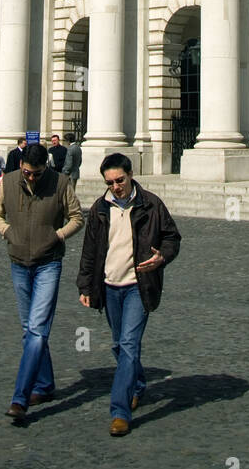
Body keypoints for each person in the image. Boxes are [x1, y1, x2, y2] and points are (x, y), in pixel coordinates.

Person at [77, 153, 181, 437]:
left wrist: (162, 258)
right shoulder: (100, 207)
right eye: (110, 182)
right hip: (110, 286)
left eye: (120, 180)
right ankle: (136, 384)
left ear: (131, 174)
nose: (116, 186)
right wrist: (85, 286)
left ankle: (120, 411)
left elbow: (172, 237)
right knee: (118, 345)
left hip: (139, 284)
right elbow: (90, 251)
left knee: (128, 345)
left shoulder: (151, 204)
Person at [0, 142, 83, 421]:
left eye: (37, 173)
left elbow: (77, 218)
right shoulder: (9, 182)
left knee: (38, 329)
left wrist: (58, 236)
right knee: (29, 329)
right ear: (21, 166)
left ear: (46, 167)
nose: (32, 178)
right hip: (18, 262)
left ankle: (20, 397)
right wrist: (7, 232)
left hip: (48, 263)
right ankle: (44, 384)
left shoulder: (60, 183)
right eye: (28, 173)